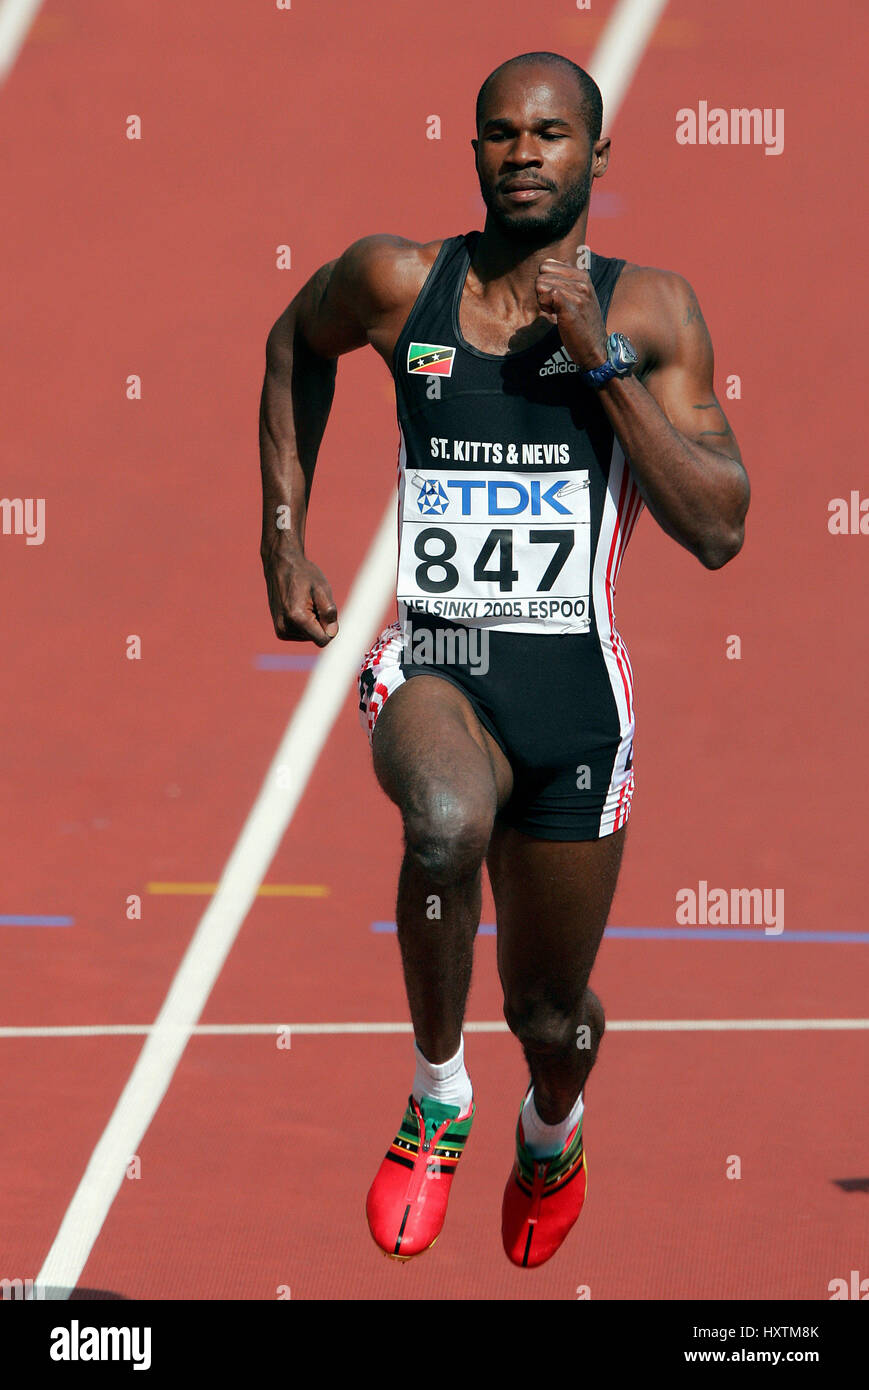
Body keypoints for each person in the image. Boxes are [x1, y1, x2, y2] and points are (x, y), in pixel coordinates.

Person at [259, 51, 749, 1268]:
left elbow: (719, 525)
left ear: (594, 155)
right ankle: (436, 1095)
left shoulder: (651, 314)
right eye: (499, 134)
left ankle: (550, 1121)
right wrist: (282, 540)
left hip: (575, 700)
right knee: (440, 823)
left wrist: (599, 360)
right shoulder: (398, 282)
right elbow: (289, 343)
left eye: (548, 134)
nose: (522, 153)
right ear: (470, 151)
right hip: (436, 663)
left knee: (549, 1013)